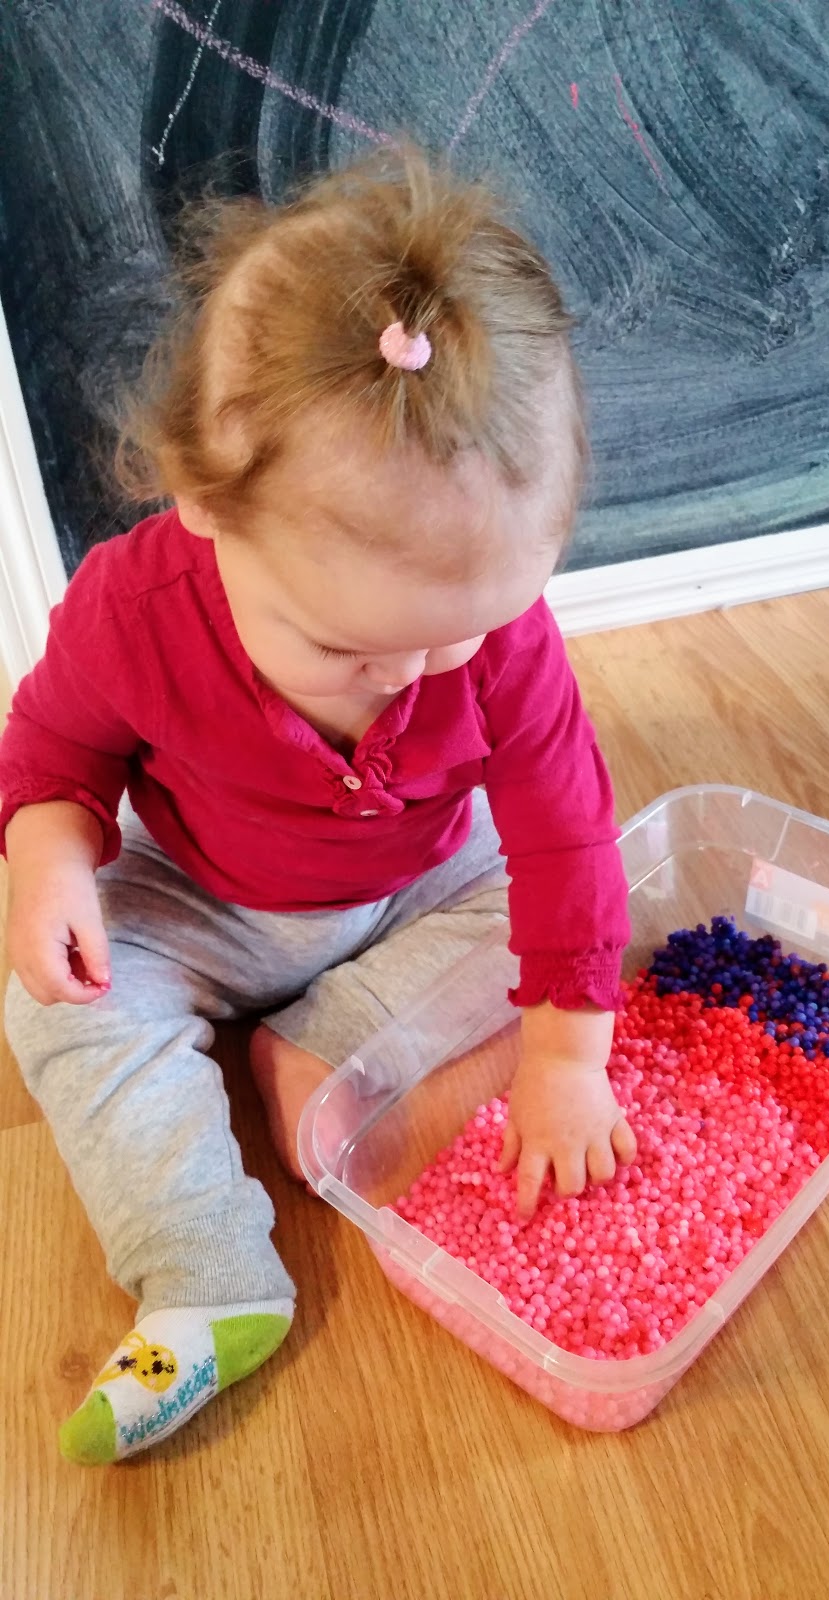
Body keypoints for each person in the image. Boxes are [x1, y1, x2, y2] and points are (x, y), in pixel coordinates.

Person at [0, 148, 635, 1465]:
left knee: (580, 915)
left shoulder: (501, 648)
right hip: (200, 890)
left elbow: (567, 841)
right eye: (347, 647)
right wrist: (48, 854)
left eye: (455, 635)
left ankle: (318, 1044)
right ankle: (208, 1275)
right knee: (55, 1005)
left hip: (427, 882)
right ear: (203, 506)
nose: (409, 675)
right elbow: (54, 748)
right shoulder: (135, 606)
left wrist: (569, 1066)